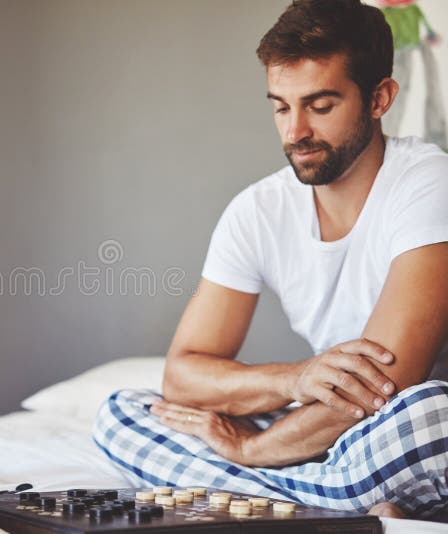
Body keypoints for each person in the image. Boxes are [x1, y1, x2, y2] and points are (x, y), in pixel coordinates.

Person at [94, 0, 448, 519]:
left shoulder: (428, 183)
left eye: (320, 106)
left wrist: (251, 449)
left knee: (432, 414)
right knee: (120, 414)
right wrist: (292, 380)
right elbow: (185, 374)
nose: (295, 131)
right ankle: (331, 500)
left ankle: (267, 489)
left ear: (379, 98)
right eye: (281, 107)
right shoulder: (257, 211)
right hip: (322, 426)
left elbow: (385, 385)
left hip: (391, 424)